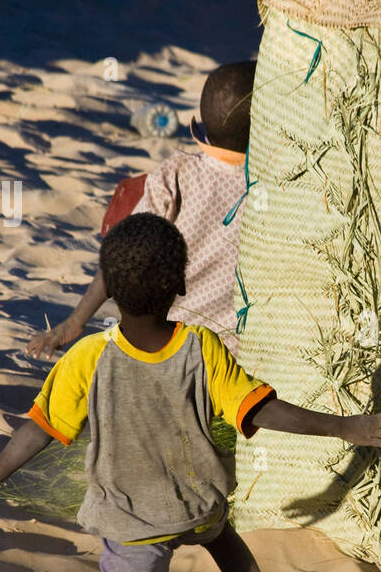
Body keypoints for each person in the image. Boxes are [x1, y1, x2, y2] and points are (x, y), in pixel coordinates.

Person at [0, 212, 381, 572]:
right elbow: (262, 410)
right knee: (224, 540)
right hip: (198, 504)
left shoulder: (88, 358)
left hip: (131, 519)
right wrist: (346, 426)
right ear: (179, 284)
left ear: (109, 288)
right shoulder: (201, 347)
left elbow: (40, 428)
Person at [26, 61, 258, 359]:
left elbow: (124, 256)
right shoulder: (277, 186)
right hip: (241, 354)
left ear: (202, 125)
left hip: (169, 344)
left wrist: (74, 322)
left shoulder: (178, 174)